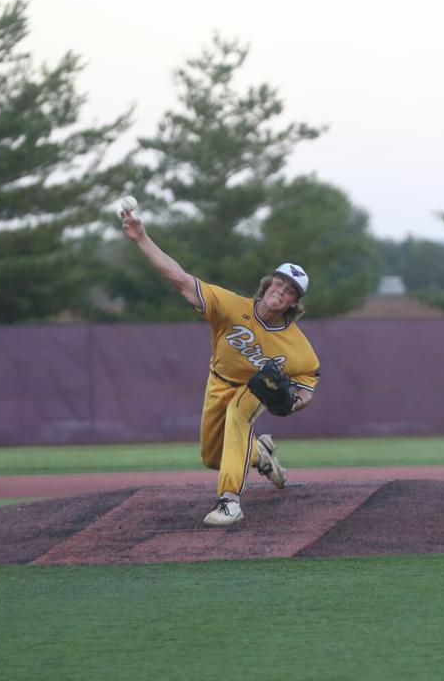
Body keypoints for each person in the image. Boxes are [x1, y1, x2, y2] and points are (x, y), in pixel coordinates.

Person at [121, 207, 320, 524]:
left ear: (294, 303)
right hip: (218, 382)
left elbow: (307, 384)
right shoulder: (230, 307)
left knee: (238, 412)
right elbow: (180, 279)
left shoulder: (298, 347)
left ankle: (230, 502)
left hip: (253, 390)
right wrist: (143, 238)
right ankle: (260, 454)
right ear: (268, 284)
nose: (280, 291)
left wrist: (293, 404)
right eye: (278, 284)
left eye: (289, 291)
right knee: (212, 456)